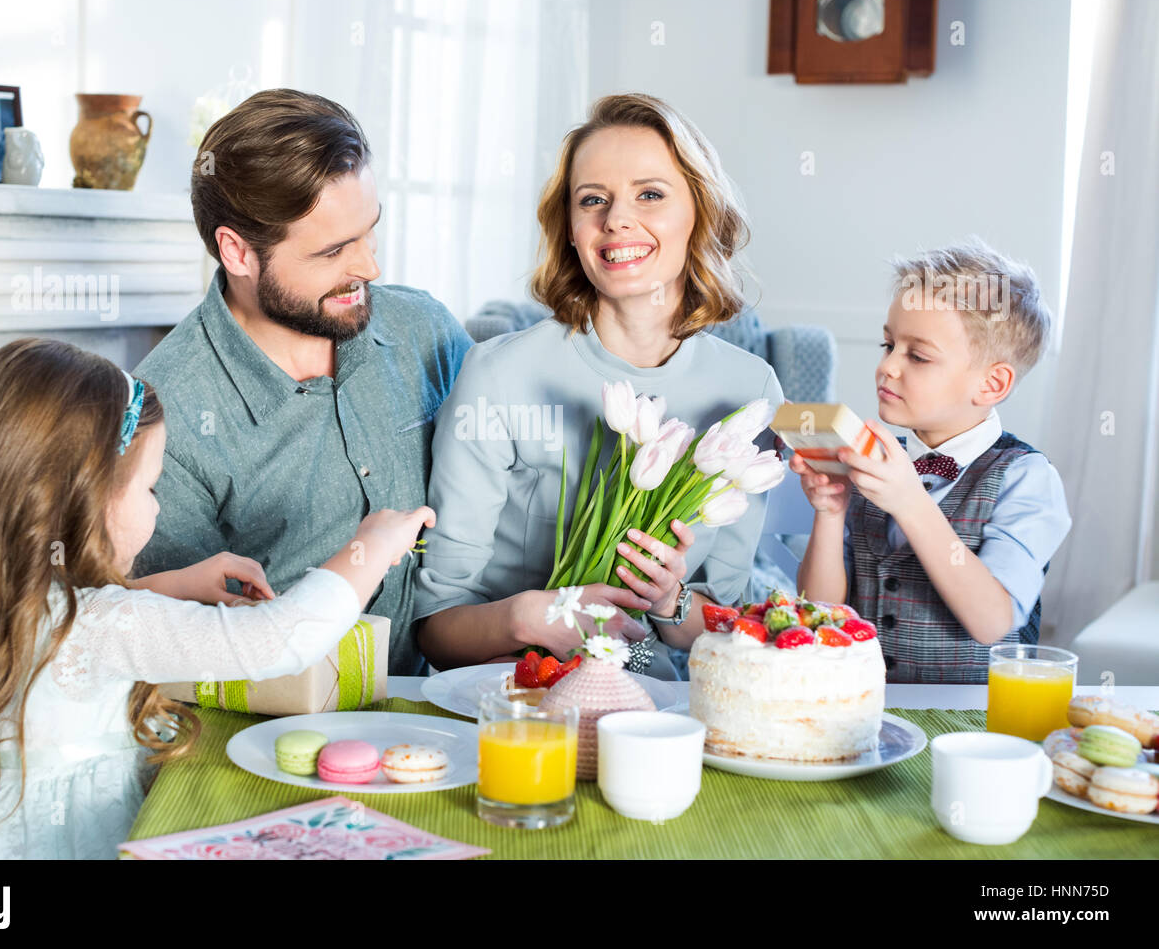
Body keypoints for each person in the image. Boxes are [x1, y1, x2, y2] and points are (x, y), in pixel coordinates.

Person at [0, 338, 432, 859]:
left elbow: (68, 635)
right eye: (150, 487)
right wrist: (370, 548)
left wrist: (168, 584)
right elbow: (279, 639)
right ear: (89, 498)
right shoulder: (106, 624)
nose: (158, 508)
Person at [415, 94, 784, 679]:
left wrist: (670, 601)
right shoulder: (499, 376)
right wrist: (528, 618)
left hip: (664, 705)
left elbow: (725, 620)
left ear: (701, 213)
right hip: (518, 695)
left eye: (650, 194)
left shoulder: (748, 389)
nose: (616, 219)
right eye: (593, 200)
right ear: (571, 229)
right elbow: (435, 629)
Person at [134, 89, 472, 675]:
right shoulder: (166, 412)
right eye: (334, 250)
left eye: (369, 232)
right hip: (268, 736)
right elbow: (185, 650)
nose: (370, 267)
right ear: (237, 252)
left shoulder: (425, 332)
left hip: (444, 709)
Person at [792, 240, 1071, 683]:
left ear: (991, 384)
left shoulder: (1026, 478)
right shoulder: (876, 461)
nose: (888, 367)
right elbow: (819, 616)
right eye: (888, 345)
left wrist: (910, 502)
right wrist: (830, 514)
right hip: (865, 711)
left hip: (975, 724)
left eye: (918, 356)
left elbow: (992, 621)